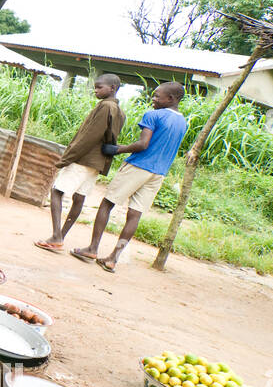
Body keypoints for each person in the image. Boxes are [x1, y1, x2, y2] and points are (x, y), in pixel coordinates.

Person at [72, 81, 189, 272]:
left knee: (107, 203)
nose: (153, 99)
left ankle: (92, 249)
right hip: (158, 173)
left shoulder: (153, 115)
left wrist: (118, 149)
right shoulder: (182, 121)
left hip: (138, 166)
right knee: (134, 214)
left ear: (171, 99)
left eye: (157, 96)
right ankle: (112, 258)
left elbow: (143, 144)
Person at [35, 73, 124, 252]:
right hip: (97, 162)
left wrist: (66, 159)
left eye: (99, 87)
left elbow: (89, 137)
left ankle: (56, 236)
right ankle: (60, 236)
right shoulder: (119, 111)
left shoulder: (105, 106)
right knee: (79, 197)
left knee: (57, 191)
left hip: (84, 158)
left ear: (112, 88)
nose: (95, 90)